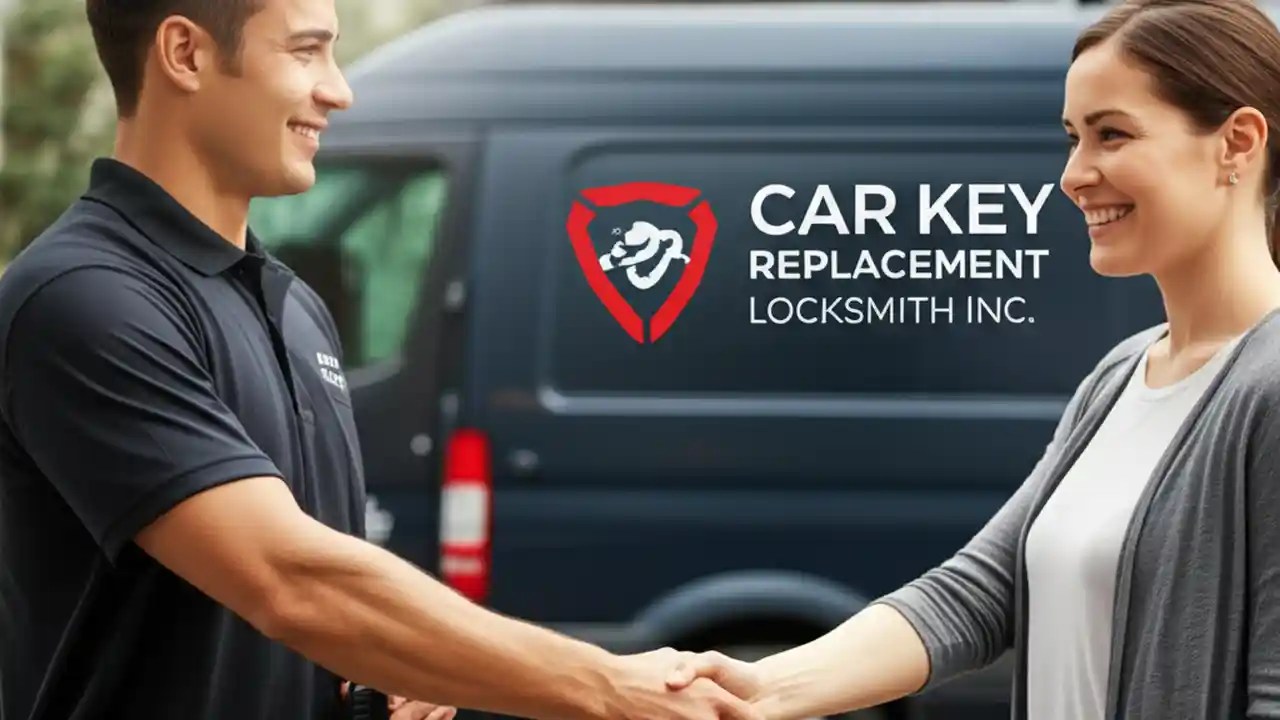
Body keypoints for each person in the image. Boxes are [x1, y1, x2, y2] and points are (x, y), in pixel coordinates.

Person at [0, 1, 760, 720]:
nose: (339, 91)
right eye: (306, 52)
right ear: (185, 53)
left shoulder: (295, 308)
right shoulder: (83, 300)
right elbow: (291, 583)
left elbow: (297, 618)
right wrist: (612, 688)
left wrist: (379, 684)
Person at [665, 0, 1280, 718]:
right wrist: (765, 689)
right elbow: (979, 593)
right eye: (1073, 138)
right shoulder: (1123, 375)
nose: (1073, 175)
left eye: (1112, 135)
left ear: (1237, 142)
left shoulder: (1268, 385)